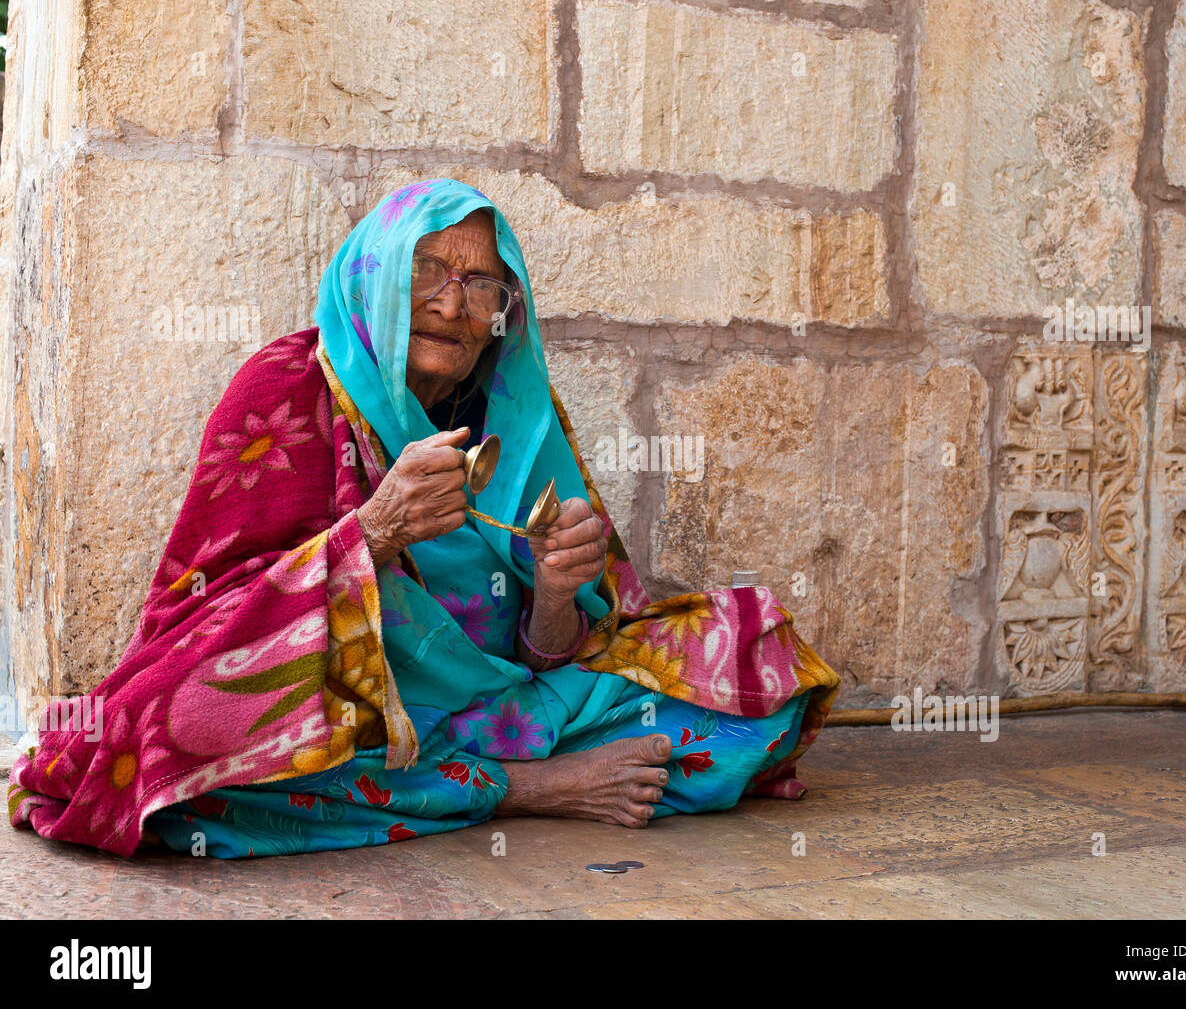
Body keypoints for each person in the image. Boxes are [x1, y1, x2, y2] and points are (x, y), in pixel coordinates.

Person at [8, 179, 839, 858]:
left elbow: (560, 646)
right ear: (375, 275)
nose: (452, 301)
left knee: (760, 686)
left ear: (505, 309)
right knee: (177, 743)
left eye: (481, 283)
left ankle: (484, 770)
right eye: (427, 270)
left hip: (500, 709)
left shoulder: (518, 414)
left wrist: (555, 592)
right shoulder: (288, 389)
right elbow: (202, 620)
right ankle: (515, 789)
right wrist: (372, 531)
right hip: (349, 723)